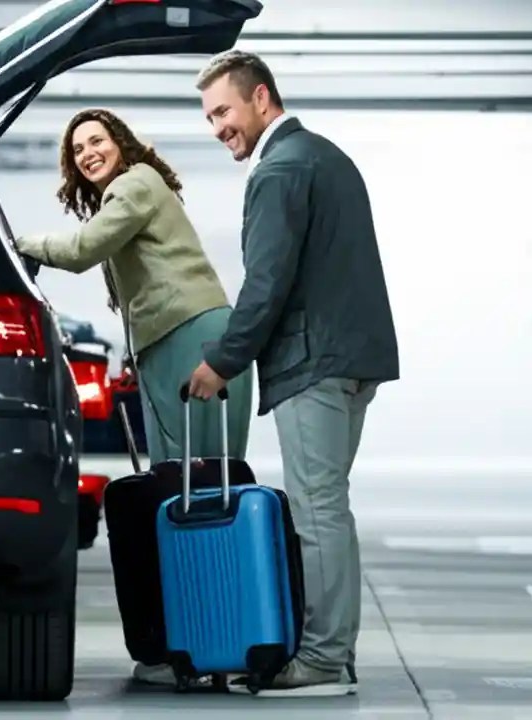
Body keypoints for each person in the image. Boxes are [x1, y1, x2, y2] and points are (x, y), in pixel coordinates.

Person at [12, 109, 255, 685]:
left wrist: (17, 242)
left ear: (119, 142)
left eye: (96, 140)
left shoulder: (136, 182)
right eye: (77, 149)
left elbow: (79, 250)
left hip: (189, 337)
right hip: (172, 341)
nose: (88, 153)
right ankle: (204, 643)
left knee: (199, 493)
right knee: (190, 490)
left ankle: (213, 643)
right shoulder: (130, 190)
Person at [186, 50, 401, 696]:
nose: (217, 126)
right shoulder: (325, 156)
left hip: (313, 362)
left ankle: (323, 659)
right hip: (352, 358)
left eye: (223, 110)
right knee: (331, 507)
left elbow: (267, 284)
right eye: (209, 116)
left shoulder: (278, 169)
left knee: (318, 512)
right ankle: (335, 649)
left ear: (261, 98)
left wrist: (222, 360)